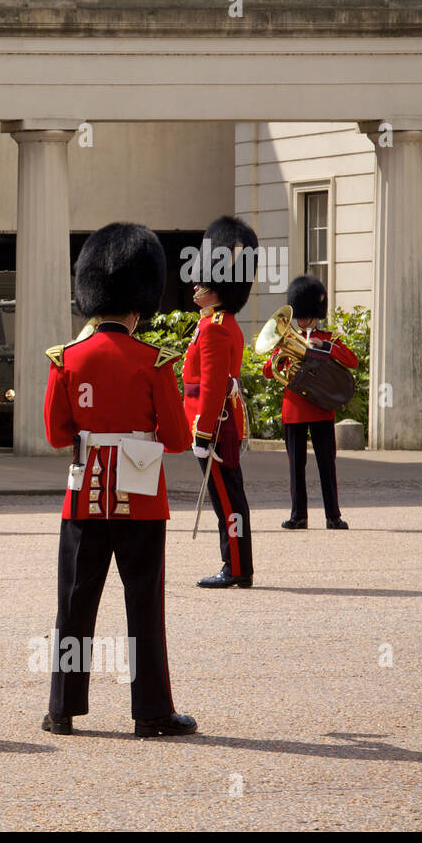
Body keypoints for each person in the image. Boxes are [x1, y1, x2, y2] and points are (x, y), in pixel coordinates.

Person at [42, 222, 196, 738]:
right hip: (140, 494)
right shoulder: (153, 362)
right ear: (137, 306)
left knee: (74, 602)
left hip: (83, 493)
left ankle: (61, 710)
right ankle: (150, 712)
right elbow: (175, 439)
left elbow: (55, 431)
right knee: (144, 605)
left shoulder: (65, 359)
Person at [183, 216, 256, 589]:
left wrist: (203, 432)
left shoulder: (213, 328)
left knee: (226, 500)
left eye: (203, 281)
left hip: (214, 424)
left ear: (219, 287)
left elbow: (211, 386)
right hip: (221, 422)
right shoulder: (218, 322)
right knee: (230, 496)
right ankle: (238, 564)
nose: (196, 284)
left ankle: (235, 567)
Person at [263, 275, 359, 530]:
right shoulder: (288, 336)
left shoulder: (329, 336)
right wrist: (282, 359)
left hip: (320, 407)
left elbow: (352, 361)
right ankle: (299, 515)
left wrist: (324, 345)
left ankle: (333, 515)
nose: (302, 320)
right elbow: (267, 369)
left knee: (326, 465)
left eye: (306, 315)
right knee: (296, 467)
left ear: (315, 314)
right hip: (294, 408)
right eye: (300, 315)